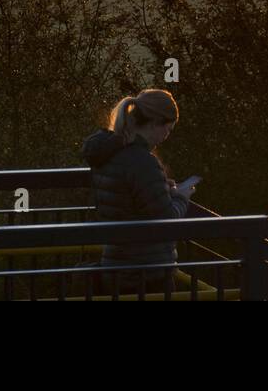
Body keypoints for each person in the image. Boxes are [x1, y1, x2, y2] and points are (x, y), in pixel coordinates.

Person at [81, 89, 197, 296]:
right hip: (147, 272)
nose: (165, 137)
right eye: (168, 129)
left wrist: (160, 187)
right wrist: (181, 197)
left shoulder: (110, 153)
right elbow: (166, 220)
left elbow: (128, 199)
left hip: (116, 266)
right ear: (154, 123)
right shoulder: (142, 161)